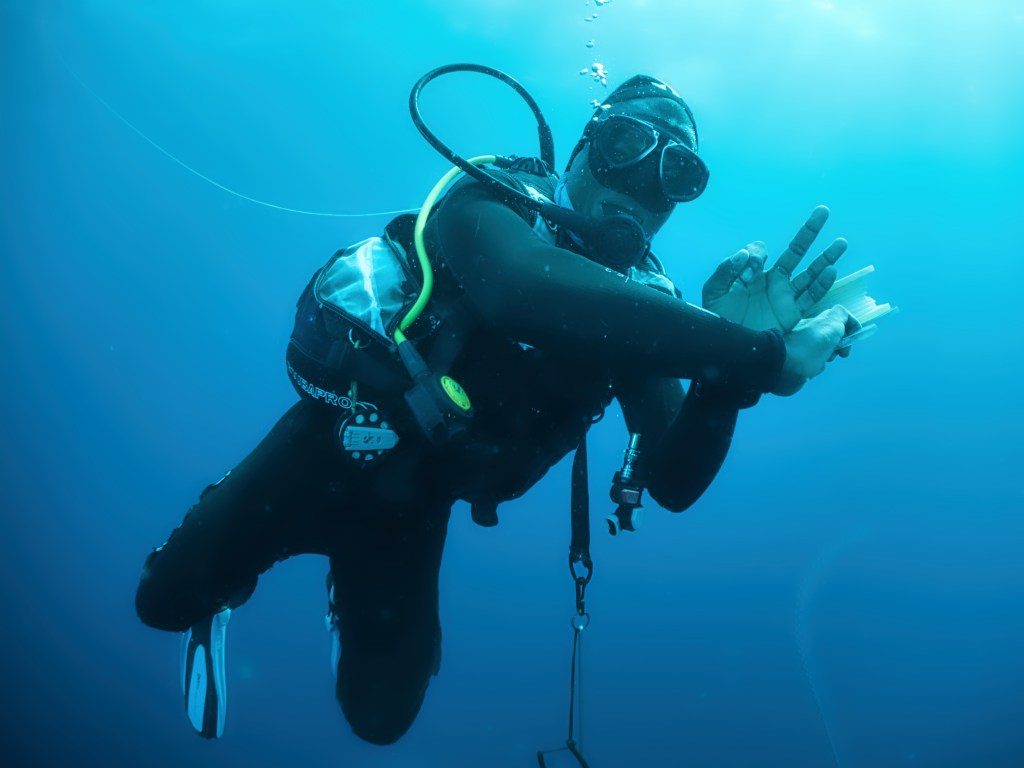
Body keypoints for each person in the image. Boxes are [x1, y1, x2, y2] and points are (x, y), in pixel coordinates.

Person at [135, 73, 858, 746]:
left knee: (380, 720)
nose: (643, 179)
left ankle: (340, 584)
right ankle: (218, 589)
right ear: (583, 148)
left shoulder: (647, 312)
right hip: (320, 453)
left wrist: (721, 382)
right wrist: (751, 352)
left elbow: (672, 481)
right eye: (626, 143)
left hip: (411, 510)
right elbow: (516, 290)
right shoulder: (490, 198)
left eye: (677, 173)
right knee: (160, 603)